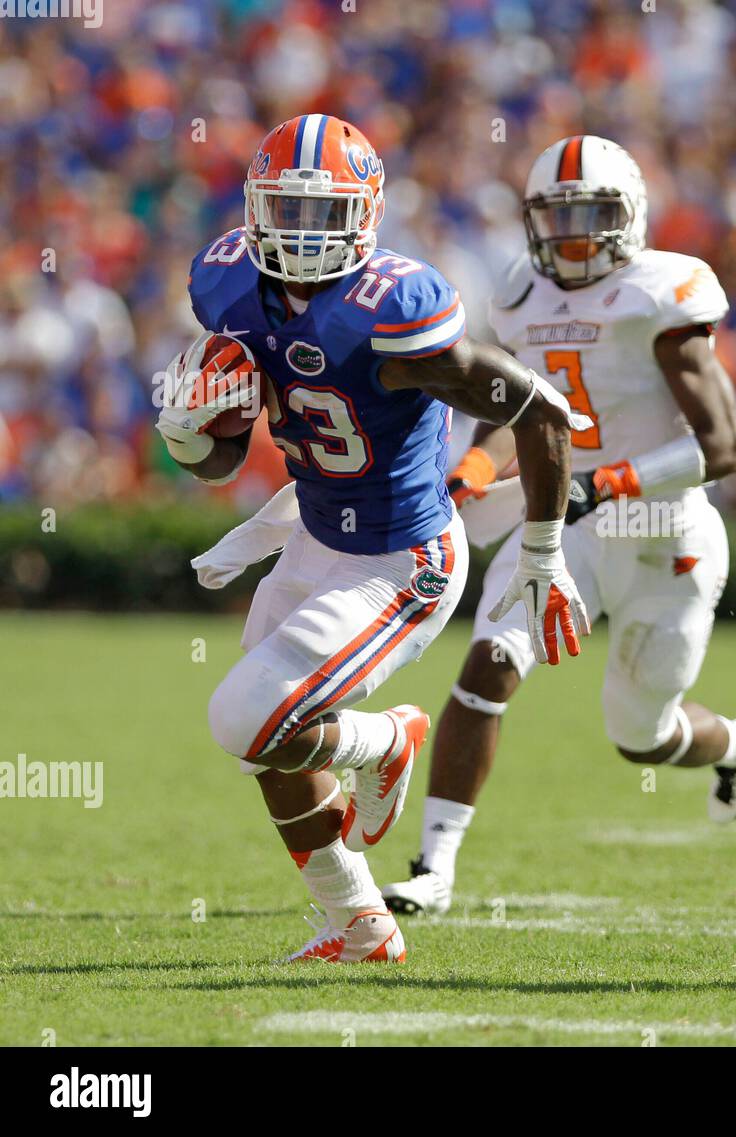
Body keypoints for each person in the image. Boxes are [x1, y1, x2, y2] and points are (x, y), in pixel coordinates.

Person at [156, 114, 589, 963]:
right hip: (315, 535)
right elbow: (219, 460)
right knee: (267, 743)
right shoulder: (227, 285)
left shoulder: (390, 310)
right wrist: (187, 433)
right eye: (285, 210)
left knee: (246, 715)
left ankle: (387, 739)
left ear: (366, 215)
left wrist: (543, 551)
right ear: (252, 208)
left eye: (323, 214)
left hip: (403, 560)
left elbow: (540, 410)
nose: (301, 233)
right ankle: (358, 921)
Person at [382, 136, 736, 917]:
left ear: (628, 215)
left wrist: (606, 481)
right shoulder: (523, 293)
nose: (572, 234)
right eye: (557, 215)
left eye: (593, 214)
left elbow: (723, 447)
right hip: (570, 526)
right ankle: (434, 866)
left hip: (667, 533)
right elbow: (516, 411)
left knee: (641, 733)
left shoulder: (663, 292)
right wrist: (472, 470)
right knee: (489, 662)